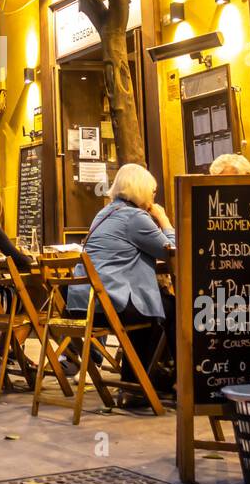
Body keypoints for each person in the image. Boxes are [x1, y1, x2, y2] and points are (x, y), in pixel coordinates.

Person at [69, 163, 175, 407]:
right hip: (106, 305)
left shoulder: (104, 213)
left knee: (156, 306)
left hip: (81, 303)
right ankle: (155, 384)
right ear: (141, 190)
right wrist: (164, 219)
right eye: (152, 191)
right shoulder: (135, 217)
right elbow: (171, 251)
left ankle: (138, 384)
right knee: (168, 309)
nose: (153, 196)